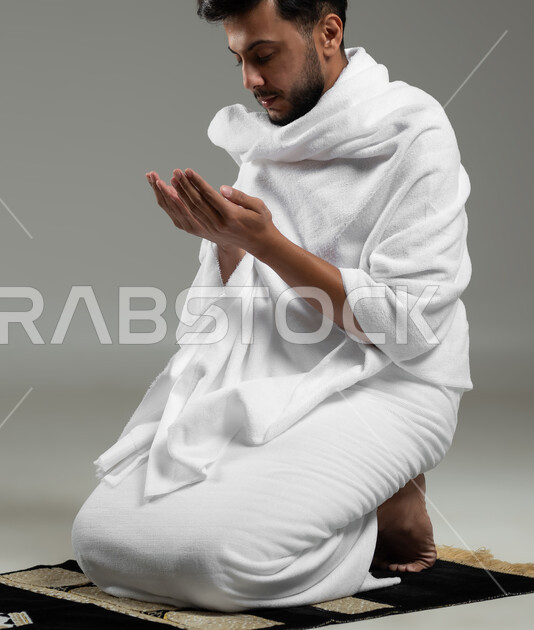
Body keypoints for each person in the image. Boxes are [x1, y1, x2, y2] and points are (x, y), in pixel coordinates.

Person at [71, 0, 474, 613]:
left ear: (328, 32)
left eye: (263, 55)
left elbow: (409, 327)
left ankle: (383, 509)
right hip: (273, 375)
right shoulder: (269, 141)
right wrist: (226, 243)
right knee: (101, 543)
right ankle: (356, 499)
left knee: (216, 565)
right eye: (238, 59)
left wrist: (266, 244)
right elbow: (232, 313)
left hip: (390, 384)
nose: (250, 81)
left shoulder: (414, 133)